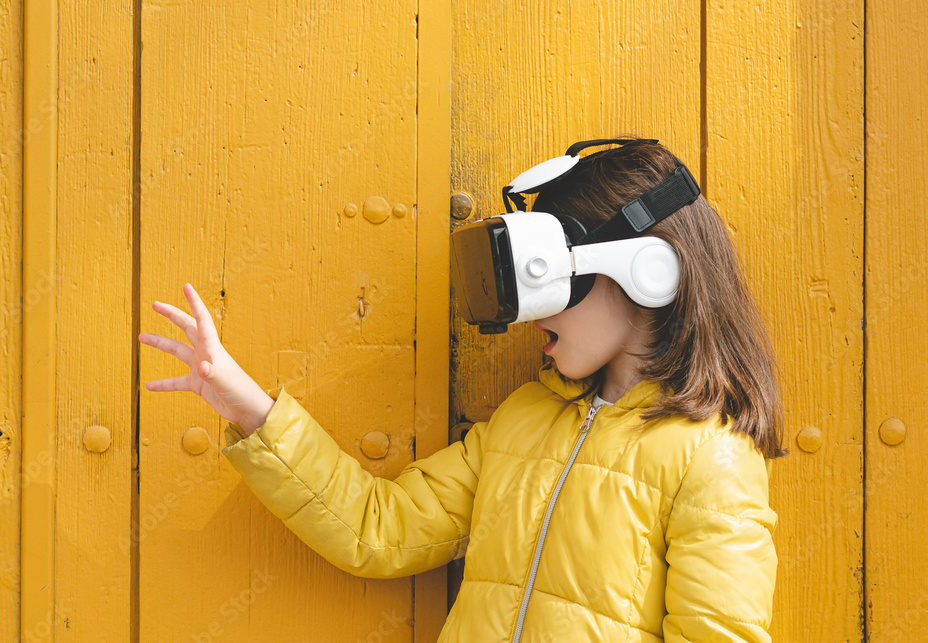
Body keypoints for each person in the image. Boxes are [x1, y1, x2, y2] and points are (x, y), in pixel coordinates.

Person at [139, 137, 785, 642]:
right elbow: (379, 528)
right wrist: (246, 403)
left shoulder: (711, 459)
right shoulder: (525, 417)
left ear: (646, 271)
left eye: (556, 283)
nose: (532, 314)